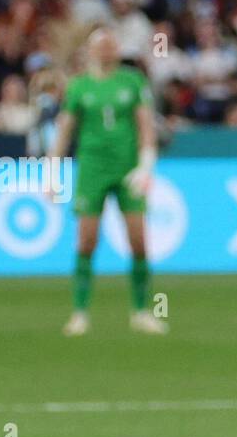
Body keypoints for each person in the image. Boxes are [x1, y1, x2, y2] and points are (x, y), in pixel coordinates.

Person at [48, 28, 166, 336]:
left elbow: (145, 126)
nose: (106, 51)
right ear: (90, 51)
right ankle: (79, 312)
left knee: (139, 242)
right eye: (101, 46)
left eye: (111, 45)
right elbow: (65, 131)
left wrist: (146, 165)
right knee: (87, 241)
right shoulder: (78, 86)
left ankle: (141, 311)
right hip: (92, 169)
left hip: (127, 170)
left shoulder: (132, 81)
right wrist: (51, 171)